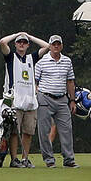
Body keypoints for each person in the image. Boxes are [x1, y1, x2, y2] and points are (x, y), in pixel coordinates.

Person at [0, 31, 49, 168]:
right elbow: (3, 42)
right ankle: (14, 159)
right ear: (15, 44)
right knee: (15, 132)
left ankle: (25, 158)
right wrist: (17, 35)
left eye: (24, 42)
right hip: (15, 100)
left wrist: (30, 36)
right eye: (19, 42)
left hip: (30, 101)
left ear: (28, 45)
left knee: (28, 131)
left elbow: (47, 46)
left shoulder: (31, 58)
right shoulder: (10, 57)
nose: (22, 44)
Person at [34, 34, 78, 168]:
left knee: (66, 130)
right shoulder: (42, 62)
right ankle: (49, 160)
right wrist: (37, 95)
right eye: (54, 44)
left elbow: (70, 82)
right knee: (44, 131)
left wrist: (72, 100)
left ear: (62, 46)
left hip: (62, 99)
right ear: (50, 46)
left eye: (58, 44)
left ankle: (69, 160)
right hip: (45, 98)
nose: (56, 46)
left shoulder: (67, 61)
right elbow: (34, 82)